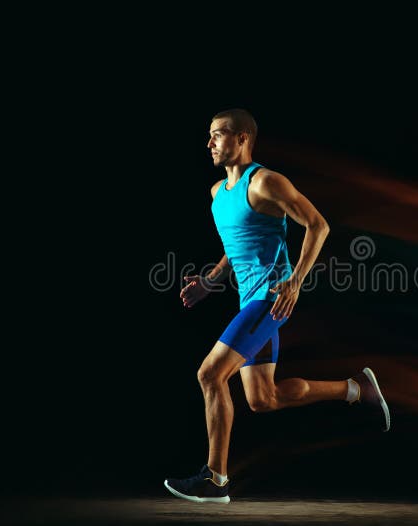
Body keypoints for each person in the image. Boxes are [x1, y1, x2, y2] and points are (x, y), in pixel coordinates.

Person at [164, 109, 391, 504]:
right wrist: (209, 282)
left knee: (209, 375)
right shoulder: (218, 193)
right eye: (209, 136)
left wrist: (296, 281)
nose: (210, 144)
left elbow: (318, 225)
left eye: (218, 136)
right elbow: (235, 247)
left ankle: (216, 479)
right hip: (248, 300)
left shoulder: (266, 182)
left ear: (242, 139)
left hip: (270, 299)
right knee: (262, 399)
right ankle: (356, 390)